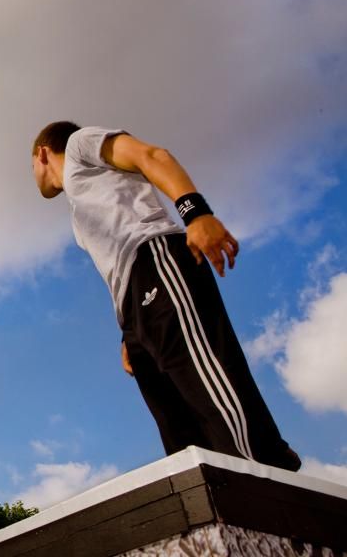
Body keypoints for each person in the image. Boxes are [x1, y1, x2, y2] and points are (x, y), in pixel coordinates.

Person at [30, 121, 300, 471]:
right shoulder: (80, 206)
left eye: (31, 167)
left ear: (42, 153)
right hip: (134, 301)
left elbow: (152, 155)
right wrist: (129, 332)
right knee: (179, 424)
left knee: (207, 382)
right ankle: (214, 498)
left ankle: (268, 468)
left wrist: (196, 213)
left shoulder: (81, 145)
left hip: (155, 258)